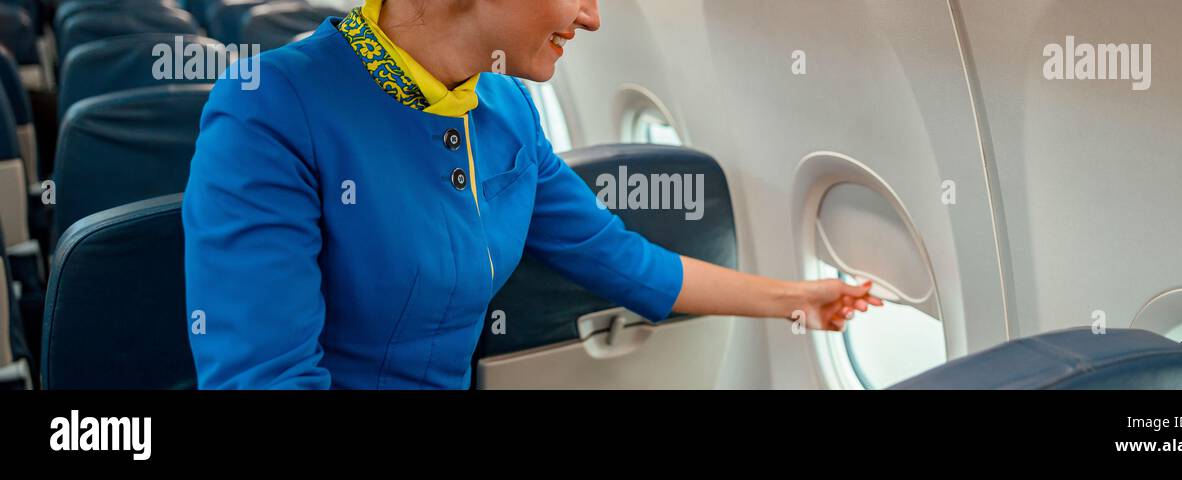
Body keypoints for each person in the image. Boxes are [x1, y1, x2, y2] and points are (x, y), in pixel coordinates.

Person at [183, 0, 882, 389]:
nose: (592, 15)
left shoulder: (507, 108)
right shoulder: (270, 106)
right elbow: (266, 380)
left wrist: (795, 300)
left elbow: (619, 258)